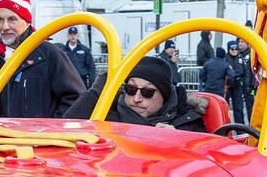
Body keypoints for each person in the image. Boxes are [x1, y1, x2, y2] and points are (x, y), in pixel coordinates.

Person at [0, 0, 83, 118]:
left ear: (27, 22)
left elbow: (76, 99)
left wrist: (50, 130)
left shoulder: (49, 54)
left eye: (12, 19)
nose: (5, 26)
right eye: (0, 19)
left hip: (35, 138)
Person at [64, 55, 209, 132]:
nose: (137, 98)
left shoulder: (185, 121)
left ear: (164, 96)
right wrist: (99, 91)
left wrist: (178, 139)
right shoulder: (106, 112)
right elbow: (66, 126)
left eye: (147, 92)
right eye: (131, 89)